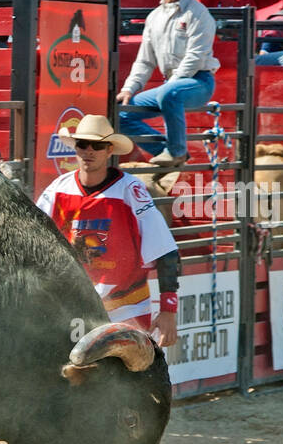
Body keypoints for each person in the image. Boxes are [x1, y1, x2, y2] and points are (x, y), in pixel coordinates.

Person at [36, 114, 180, 349]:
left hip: (125, 309)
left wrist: (168, 311)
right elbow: (33, 242)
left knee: (129, 381)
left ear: (109, 150)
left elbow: (166, 252)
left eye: (98, 145)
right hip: (70, 308)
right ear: (76, 148)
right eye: (83, 144)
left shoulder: (131, 191)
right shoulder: (57, 191)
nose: (89, 151)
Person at [116, 0, 219, 169]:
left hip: (198, 82)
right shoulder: (154, 17)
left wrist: (171, 85)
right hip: (173, 87)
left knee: (168, 93)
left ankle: (176, 152)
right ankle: (168, 152)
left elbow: (195, 56)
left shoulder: (199, 13)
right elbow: (144, 60)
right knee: (121, 115)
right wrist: (129, 89)